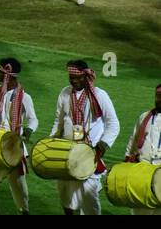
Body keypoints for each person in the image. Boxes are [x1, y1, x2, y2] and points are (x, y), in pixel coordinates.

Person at [49, 61, 120, 215]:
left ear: (86, 76)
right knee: (64, 192)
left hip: (89, 154)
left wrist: (102, 145)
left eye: (78, 77)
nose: (74, 80)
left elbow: (113, 123)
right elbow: (58, 121)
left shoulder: (99, 95)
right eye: (71, 77)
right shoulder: (65, 93)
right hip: (66, 152)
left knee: (89, 197)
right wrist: (52, 140)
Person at [0, 58, 37, 215]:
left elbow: (33, 119)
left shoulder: (24, 96)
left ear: (7, 75)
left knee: (18, 182)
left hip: (12, 144)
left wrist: (29, 130)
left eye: (0, 71)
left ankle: (24, 211)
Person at [122, 83, 161, 215]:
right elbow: (133, 140)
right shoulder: (145, 117)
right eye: (157, 96)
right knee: (140, 210)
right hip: (142, 171)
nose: (159, 100)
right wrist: (127, 162)